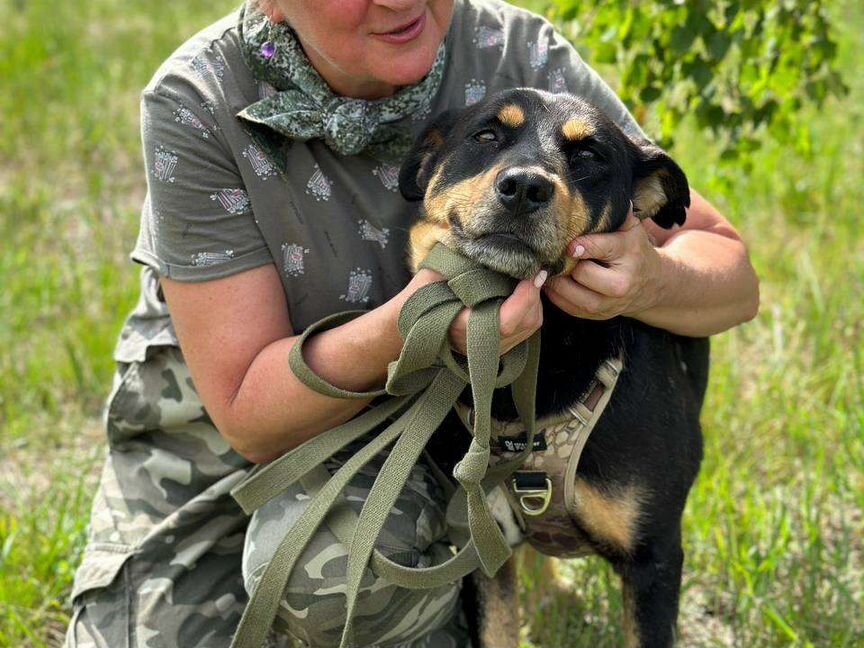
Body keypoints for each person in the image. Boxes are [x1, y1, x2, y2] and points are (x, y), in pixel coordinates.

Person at [64, 0, 759, 646]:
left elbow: (729, 274)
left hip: (441, 422)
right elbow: (249, 416)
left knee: (333, 576)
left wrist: (651, 280)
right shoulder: (200, 100)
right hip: (224, 434)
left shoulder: (512, 50)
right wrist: (421, 325)